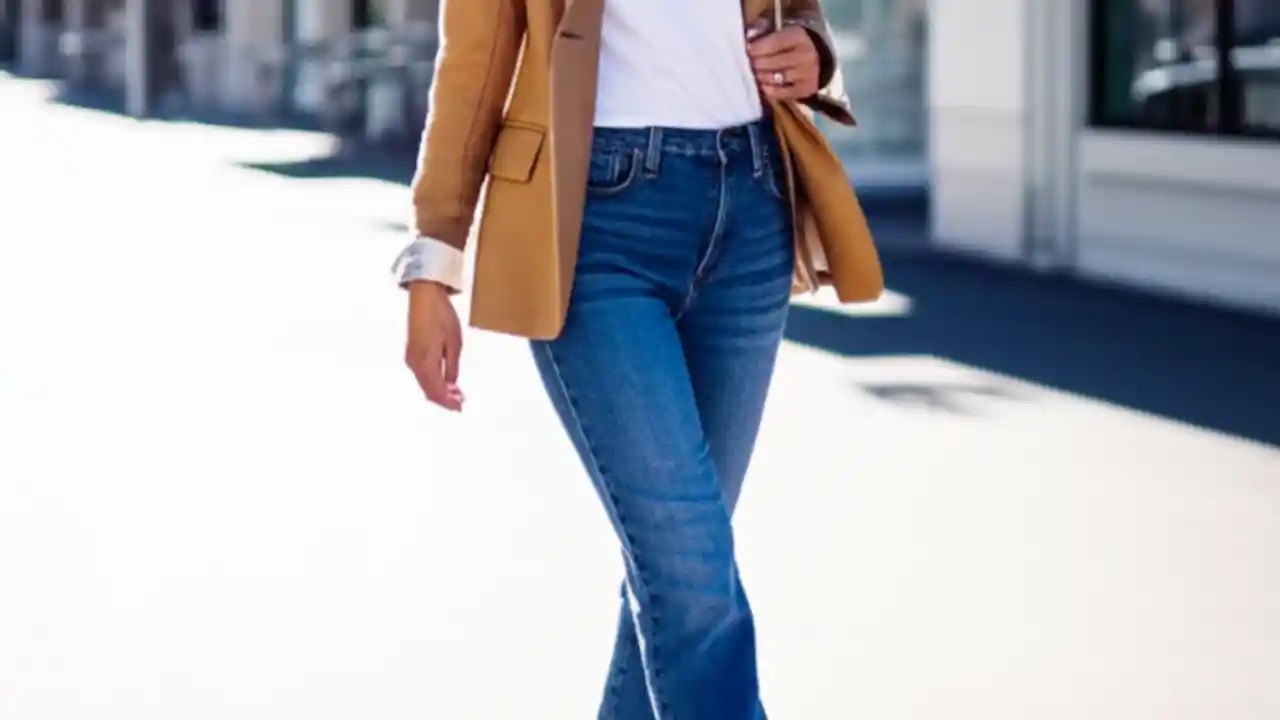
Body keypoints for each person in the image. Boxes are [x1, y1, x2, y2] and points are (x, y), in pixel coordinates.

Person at [394, 0, 882, 717]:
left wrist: (812, 46)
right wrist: (434, 260)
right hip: (593, 226)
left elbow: (792, 11)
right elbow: (476, 59)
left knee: (682, 569)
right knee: (686, 569)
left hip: (749, 207)